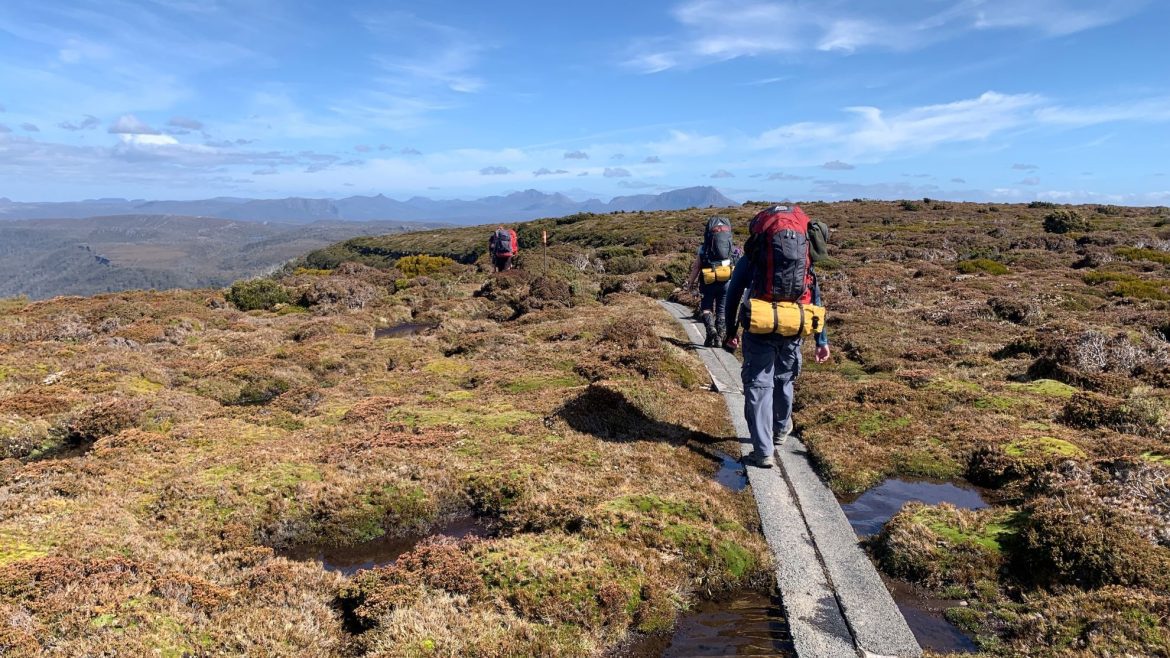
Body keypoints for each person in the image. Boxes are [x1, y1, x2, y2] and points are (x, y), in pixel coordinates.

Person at [723, 204, 831, 468]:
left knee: (759, 384)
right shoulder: (804, 257)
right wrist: (821, 340)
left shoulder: (755, 254)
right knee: (784, 379)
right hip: (794, 325)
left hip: (760, 323)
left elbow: (734, 292)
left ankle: (762, 451)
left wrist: (730, 331)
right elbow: (813, 298)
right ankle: (781, 430)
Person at [685, 215, 737, 346]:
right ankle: (719, 338)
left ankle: (710, 330)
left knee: (706, 308)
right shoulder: (731, 248)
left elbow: (697, 266)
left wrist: (690, 282)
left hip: (707, 282)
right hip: (726, 282)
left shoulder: (704, 248)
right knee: (721, 310)